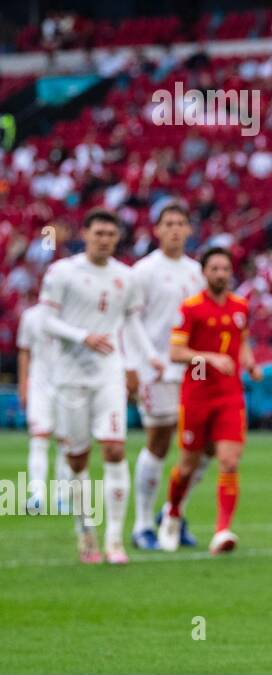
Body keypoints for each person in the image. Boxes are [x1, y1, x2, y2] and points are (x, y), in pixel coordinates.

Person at [39, 209, 163, 565]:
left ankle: (114, 541)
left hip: (109, 371)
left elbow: (131, 322)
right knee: (77, 458)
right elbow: (45, 320)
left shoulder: (126, 277)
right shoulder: (63, 272)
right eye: (99, 233)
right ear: (86, 233)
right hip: (69, 374)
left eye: (111, 234)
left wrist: (148, 357)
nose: (105, 239)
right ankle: (85, 532)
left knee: (113, 449)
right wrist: (83, 337)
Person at [159, 247, 263, 554]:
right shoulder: (190, 308)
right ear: (204, 273)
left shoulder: (241, 307)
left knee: (229, 461)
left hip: (230, 396)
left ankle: (222, 531)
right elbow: (176, 353)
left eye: (225, 269)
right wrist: (210, 359)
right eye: (215, 269)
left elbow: (241, 344)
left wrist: (251, 365)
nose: (221, 274)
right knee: (188, 465)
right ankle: (173, 514)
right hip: (197, 395)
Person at [125, 202, 207, 550]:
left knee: (201, 448)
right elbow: (129, 321)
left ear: (189, 230)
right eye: (168, 223)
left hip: (192, 369)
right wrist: (136, 364)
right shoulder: (143, 271)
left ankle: (173, 512)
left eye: (180, 223)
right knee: (158, 442)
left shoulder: (196, 272)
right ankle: (142, 524)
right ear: (156, 230)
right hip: (156, 368)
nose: (175, 229)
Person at [17, 300, 72, 512]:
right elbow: (24, 351)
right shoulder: (30, 316)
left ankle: (62, 497)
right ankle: (37, 496)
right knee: (39, 438)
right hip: (39, 385)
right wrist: (23, 384)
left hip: (67, 384)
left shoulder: (71, 314)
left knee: (65, 442)